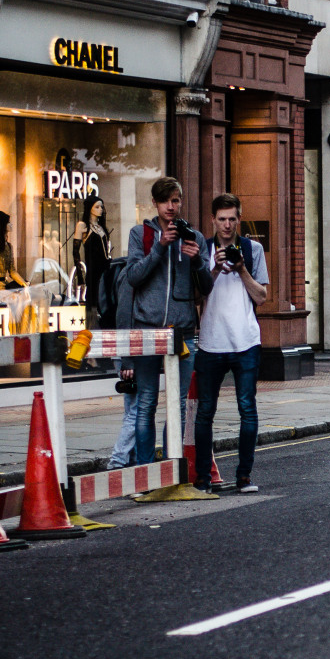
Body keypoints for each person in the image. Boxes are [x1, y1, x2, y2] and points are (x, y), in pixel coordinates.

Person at [122, 176, 213, 466]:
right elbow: (134, 276)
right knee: (146, 403)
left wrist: (198, 260)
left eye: (175, 200)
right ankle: (145, 471)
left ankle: (170, 468)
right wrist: (160, 247)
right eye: (165, 201)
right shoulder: (141, 234)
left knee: (177, 407)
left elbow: (207, 287)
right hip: (148, 330)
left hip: (183, 333)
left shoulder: (194, 237)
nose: (170, 207)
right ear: (154, 203)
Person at [192, 194, 268, 493]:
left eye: (232, 218)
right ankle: (203, 477)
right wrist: (213, 268)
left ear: (239, 218)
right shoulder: (203, 251)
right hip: (211, 343)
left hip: (246, 342)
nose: (227, 224)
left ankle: (244, 476)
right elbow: (197, 297)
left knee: (247, 409)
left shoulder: (252, 250)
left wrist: (241, 270)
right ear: (213, 220)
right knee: (204, 412)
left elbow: (261, 296)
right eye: (221, 219)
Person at [73, 195, 111, 323]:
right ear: (90, 208)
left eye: (101, 206)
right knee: (93, 302)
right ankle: (92, 328)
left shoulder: (101, 227)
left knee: (106, 300)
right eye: (97, 207)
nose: (100, 209)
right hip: (93, 271)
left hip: (105, 270)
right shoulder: (83, 226)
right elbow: (75, 252)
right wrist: (80, 275)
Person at [0, 211, 27, 291]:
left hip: (5, 285)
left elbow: (12, 271)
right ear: (2, 225)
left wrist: (24, 283)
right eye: (8, 222)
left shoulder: (8, 246)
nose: (11, 224)